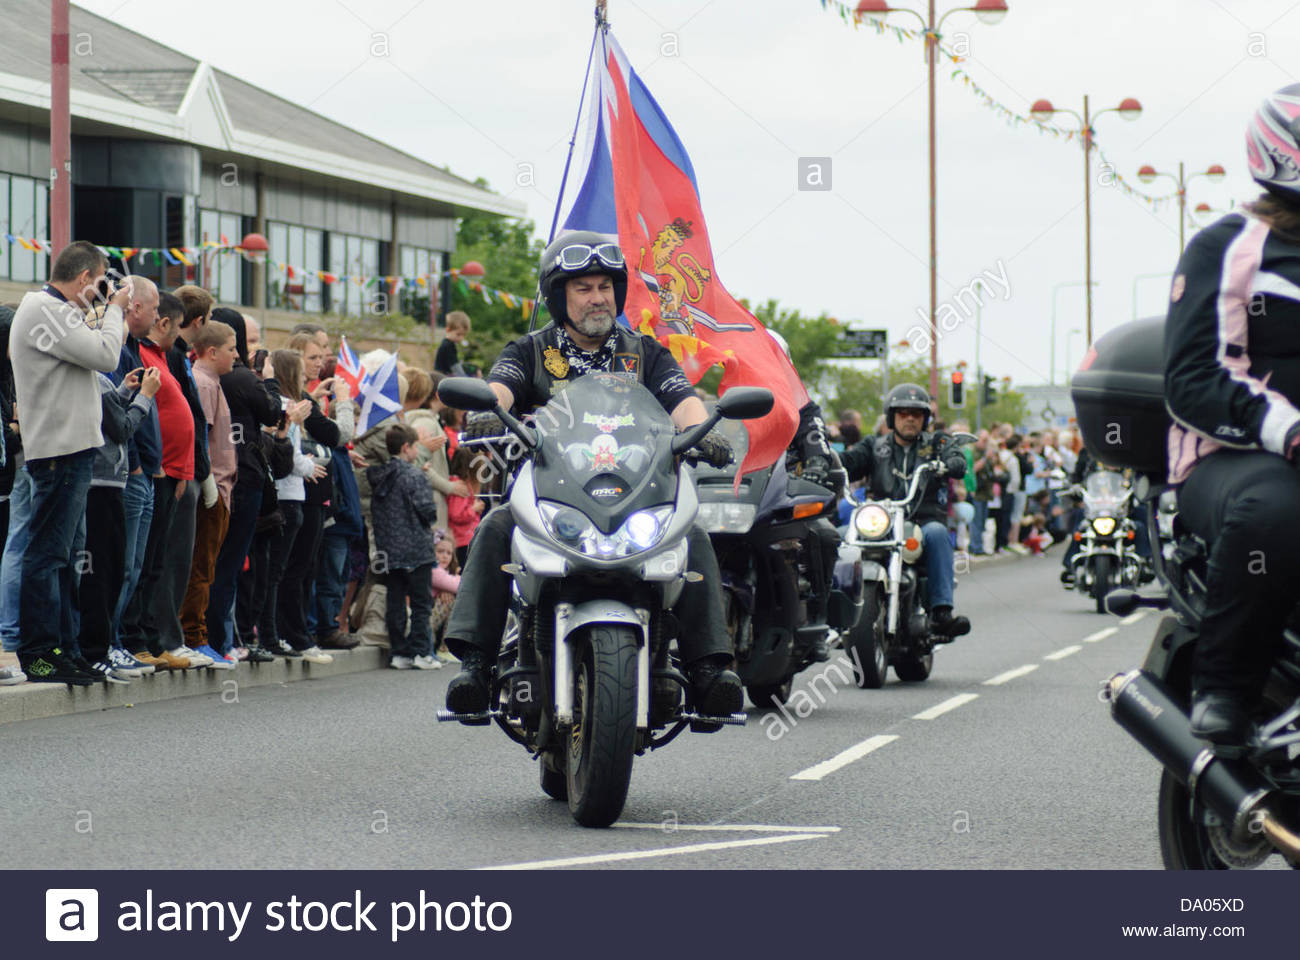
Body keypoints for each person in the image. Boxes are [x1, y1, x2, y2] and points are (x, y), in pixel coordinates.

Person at [442, 230, 739, 717]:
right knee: (495, 527)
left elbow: (682, 400)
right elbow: (500, 390)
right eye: (583, 288)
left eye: (605, 286)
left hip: (635, 496)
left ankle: (708, 669)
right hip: (552, 495)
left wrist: (701, 429)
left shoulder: (645, 353)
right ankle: (475, 665)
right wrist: (490, 410)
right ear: (559, 296)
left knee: (694, 535)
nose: (597, 297)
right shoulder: (530, 351)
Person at [1159, 84, 1300, 749]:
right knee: (1280, 506)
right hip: (1235, 461)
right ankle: (1225, 688)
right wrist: (1288, 430)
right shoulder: (1231, 245)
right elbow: (1195, 377)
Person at [9, 242, 127, 684]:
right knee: (47, 554)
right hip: (59, 451)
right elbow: (106, 356)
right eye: (99, 283)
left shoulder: (57, 312)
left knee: (62, 556)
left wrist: (102, 311)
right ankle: (39, 653)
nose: (102, 292)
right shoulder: (44, 308)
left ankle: (64, 648)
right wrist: (114, 310)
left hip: (72, 450)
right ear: (83, 278)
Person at [839, 383, 971, 639]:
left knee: (938, 533)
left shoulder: (937, 442)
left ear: (925, 419)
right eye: (903, 413)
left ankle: (941, 612)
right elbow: (849, 463)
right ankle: (829, 609)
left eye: (916, 414)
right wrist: (827, 462)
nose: (909, 418)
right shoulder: (874, 446)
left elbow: (956, 457)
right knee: (839, 535)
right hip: (880, 522)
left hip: (923, 520)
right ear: (892, 417)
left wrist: (952, 463)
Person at [78, 362, 160, 680]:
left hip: (110, 486)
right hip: (98, 487)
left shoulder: (101, 380)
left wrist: (124, 391)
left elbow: (109, 417)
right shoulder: (93, 378)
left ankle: (103, 645)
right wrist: (145, 397)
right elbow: (121, 428)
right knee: (101, 573)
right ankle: (95, 649)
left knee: (114, 570)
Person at [177, 320, 240, 668]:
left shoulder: (213, 383)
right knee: (199, 567)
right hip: (208, 492)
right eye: (232, 348)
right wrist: (208, 484)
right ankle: (194, 637)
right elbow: (198, 438)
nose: (238, 354)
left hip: (219, 491)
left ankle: (195, 635)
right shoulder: (204, 383)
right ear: (212, 352)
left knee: (207, 567)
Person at [367, 423, 441, 670]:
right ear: (406, 447)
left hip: (388, 548)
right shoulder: (414, 475)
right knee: (421, 603)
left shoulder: (378, 476)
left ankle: (399, 652)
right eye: (415, 446)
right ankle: (422, 652)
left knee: (395, 600)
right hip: (416, 548)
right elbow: (427, 511)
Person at [445, 444, 483, 568]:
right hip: (462, 540)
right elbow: (456, 514)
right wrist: (474, 509)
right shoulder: (460, 487)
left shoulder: (460, 484)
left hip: (466, 537)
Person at [435, 311, 471, 375]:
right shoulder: (449, 345)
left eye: (463, 335)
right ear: (448, 330)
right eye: (458, 334)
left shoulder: (445, 343)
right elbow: (455, 367)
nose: (461, 338)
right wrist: (465, 379)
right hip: (443, 377)